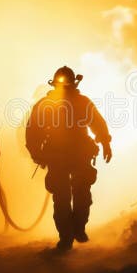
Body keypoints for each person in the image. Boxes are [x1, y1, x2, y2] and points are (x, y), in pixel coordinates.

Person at [26, 66, 112, 251]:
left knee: (81, 195)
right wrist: (36, 153)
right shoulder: (46, 105)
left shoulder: (82, 102)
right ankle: (66, 237)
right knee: (62, 198)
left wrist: (106, 143)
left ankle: (78, 228)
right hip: (58, 156)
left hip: (79, 154)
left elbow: (98, 123)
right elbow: (33, 130)